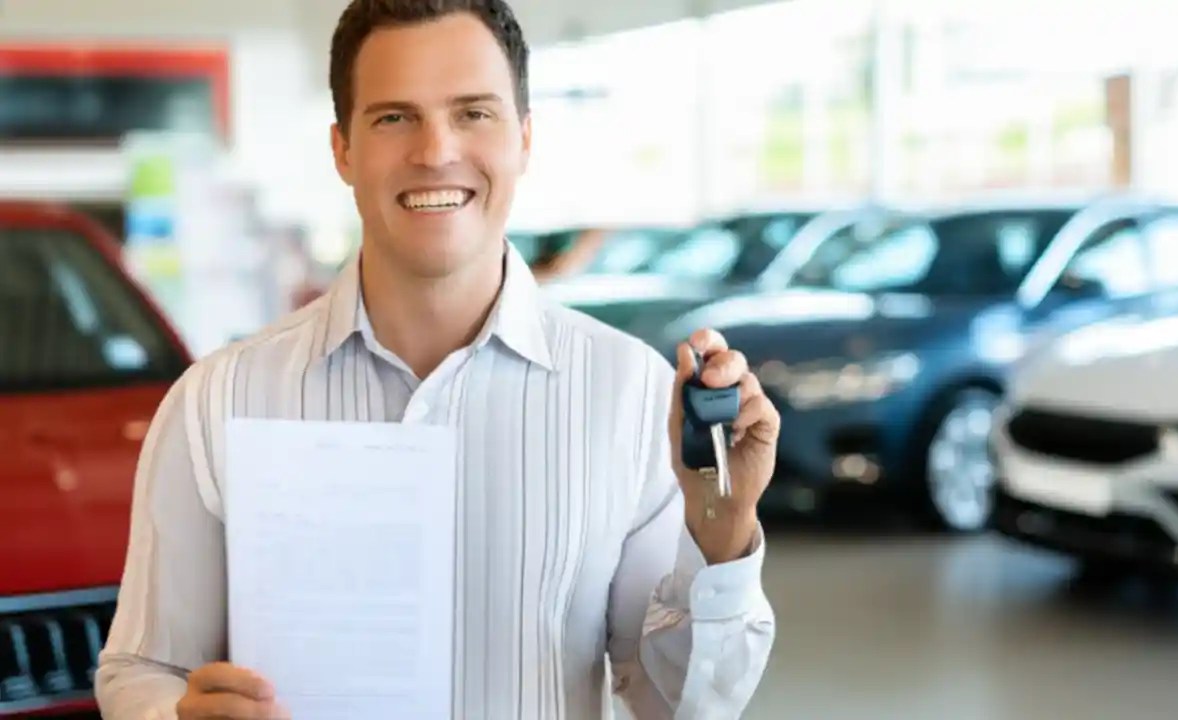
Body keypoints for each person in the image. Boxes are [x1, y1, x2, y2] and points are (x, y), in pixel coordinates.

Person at [95, 1, 779, 718]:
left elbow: (680, 705)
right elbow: (142, 667)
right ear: (343, 150)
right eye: (394, 117)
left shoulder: (629, 395)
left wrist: (720, 534)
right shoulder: (216, 403)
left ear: (523, 139)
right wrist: (174, 714)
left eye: (473, 113)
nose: (435, 150)